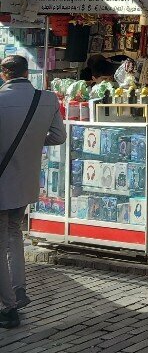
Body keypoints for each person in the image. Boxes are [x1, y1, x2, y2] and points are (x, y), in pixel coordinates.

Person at [0, 55, 65, 329]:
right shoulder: (47, 99)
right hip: (25, 183)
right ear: (27, 73)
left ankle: (8, 307)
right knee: (14, 234)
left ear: (4, 73)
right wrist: (35, 141)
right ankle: (19, 291)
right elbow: (58, 136)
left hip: (2, 184)